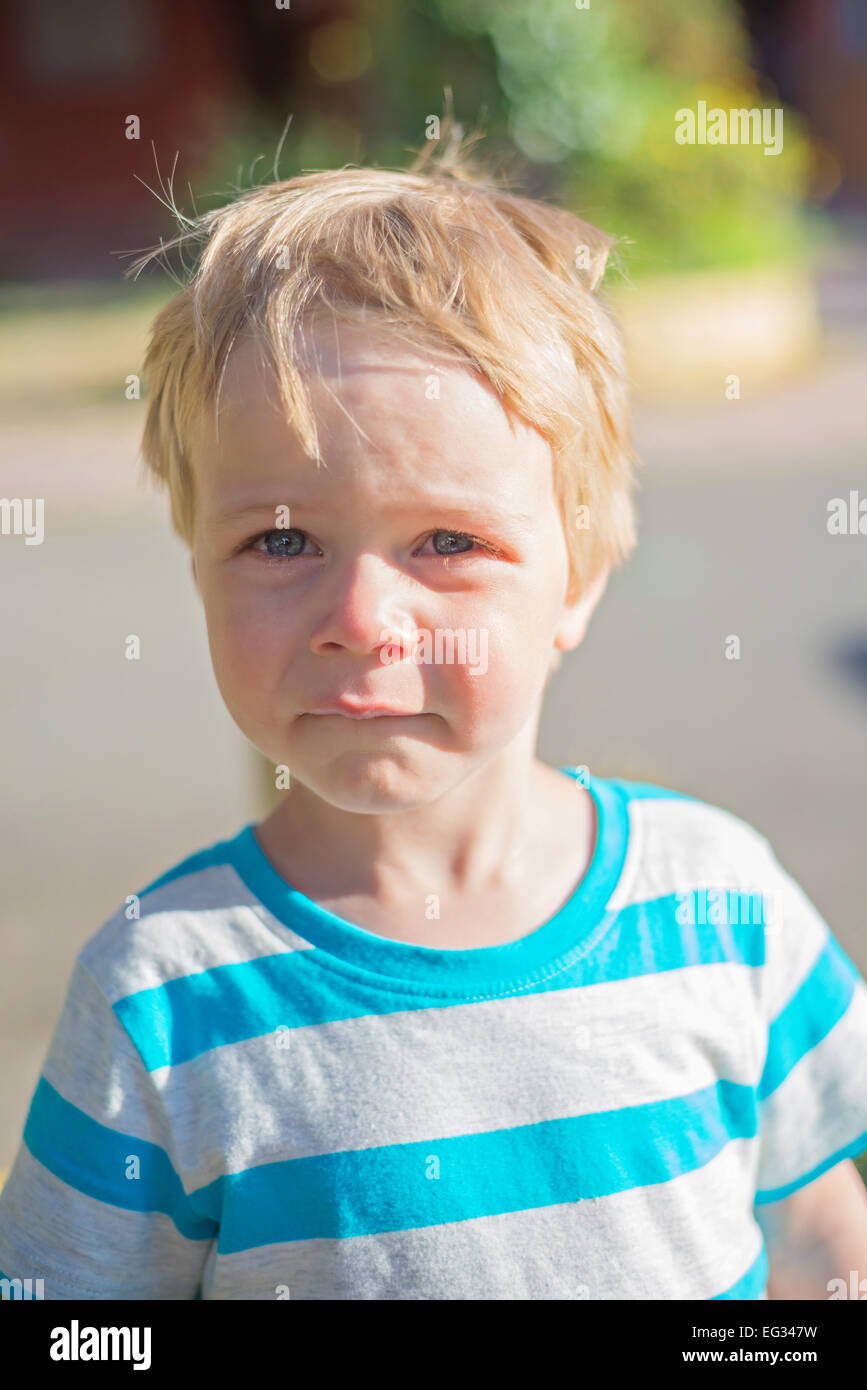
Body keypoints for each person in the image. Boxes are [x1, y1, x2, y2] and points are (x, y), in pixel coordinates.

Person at [2, 138, 867, 1300]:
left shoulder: (723, 907)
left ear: (578, 577)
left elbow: (817, 1234)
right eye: (281, 540)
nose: (362, 619)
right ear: (198, 563)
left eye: (447, 541)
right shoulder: (158, 997)